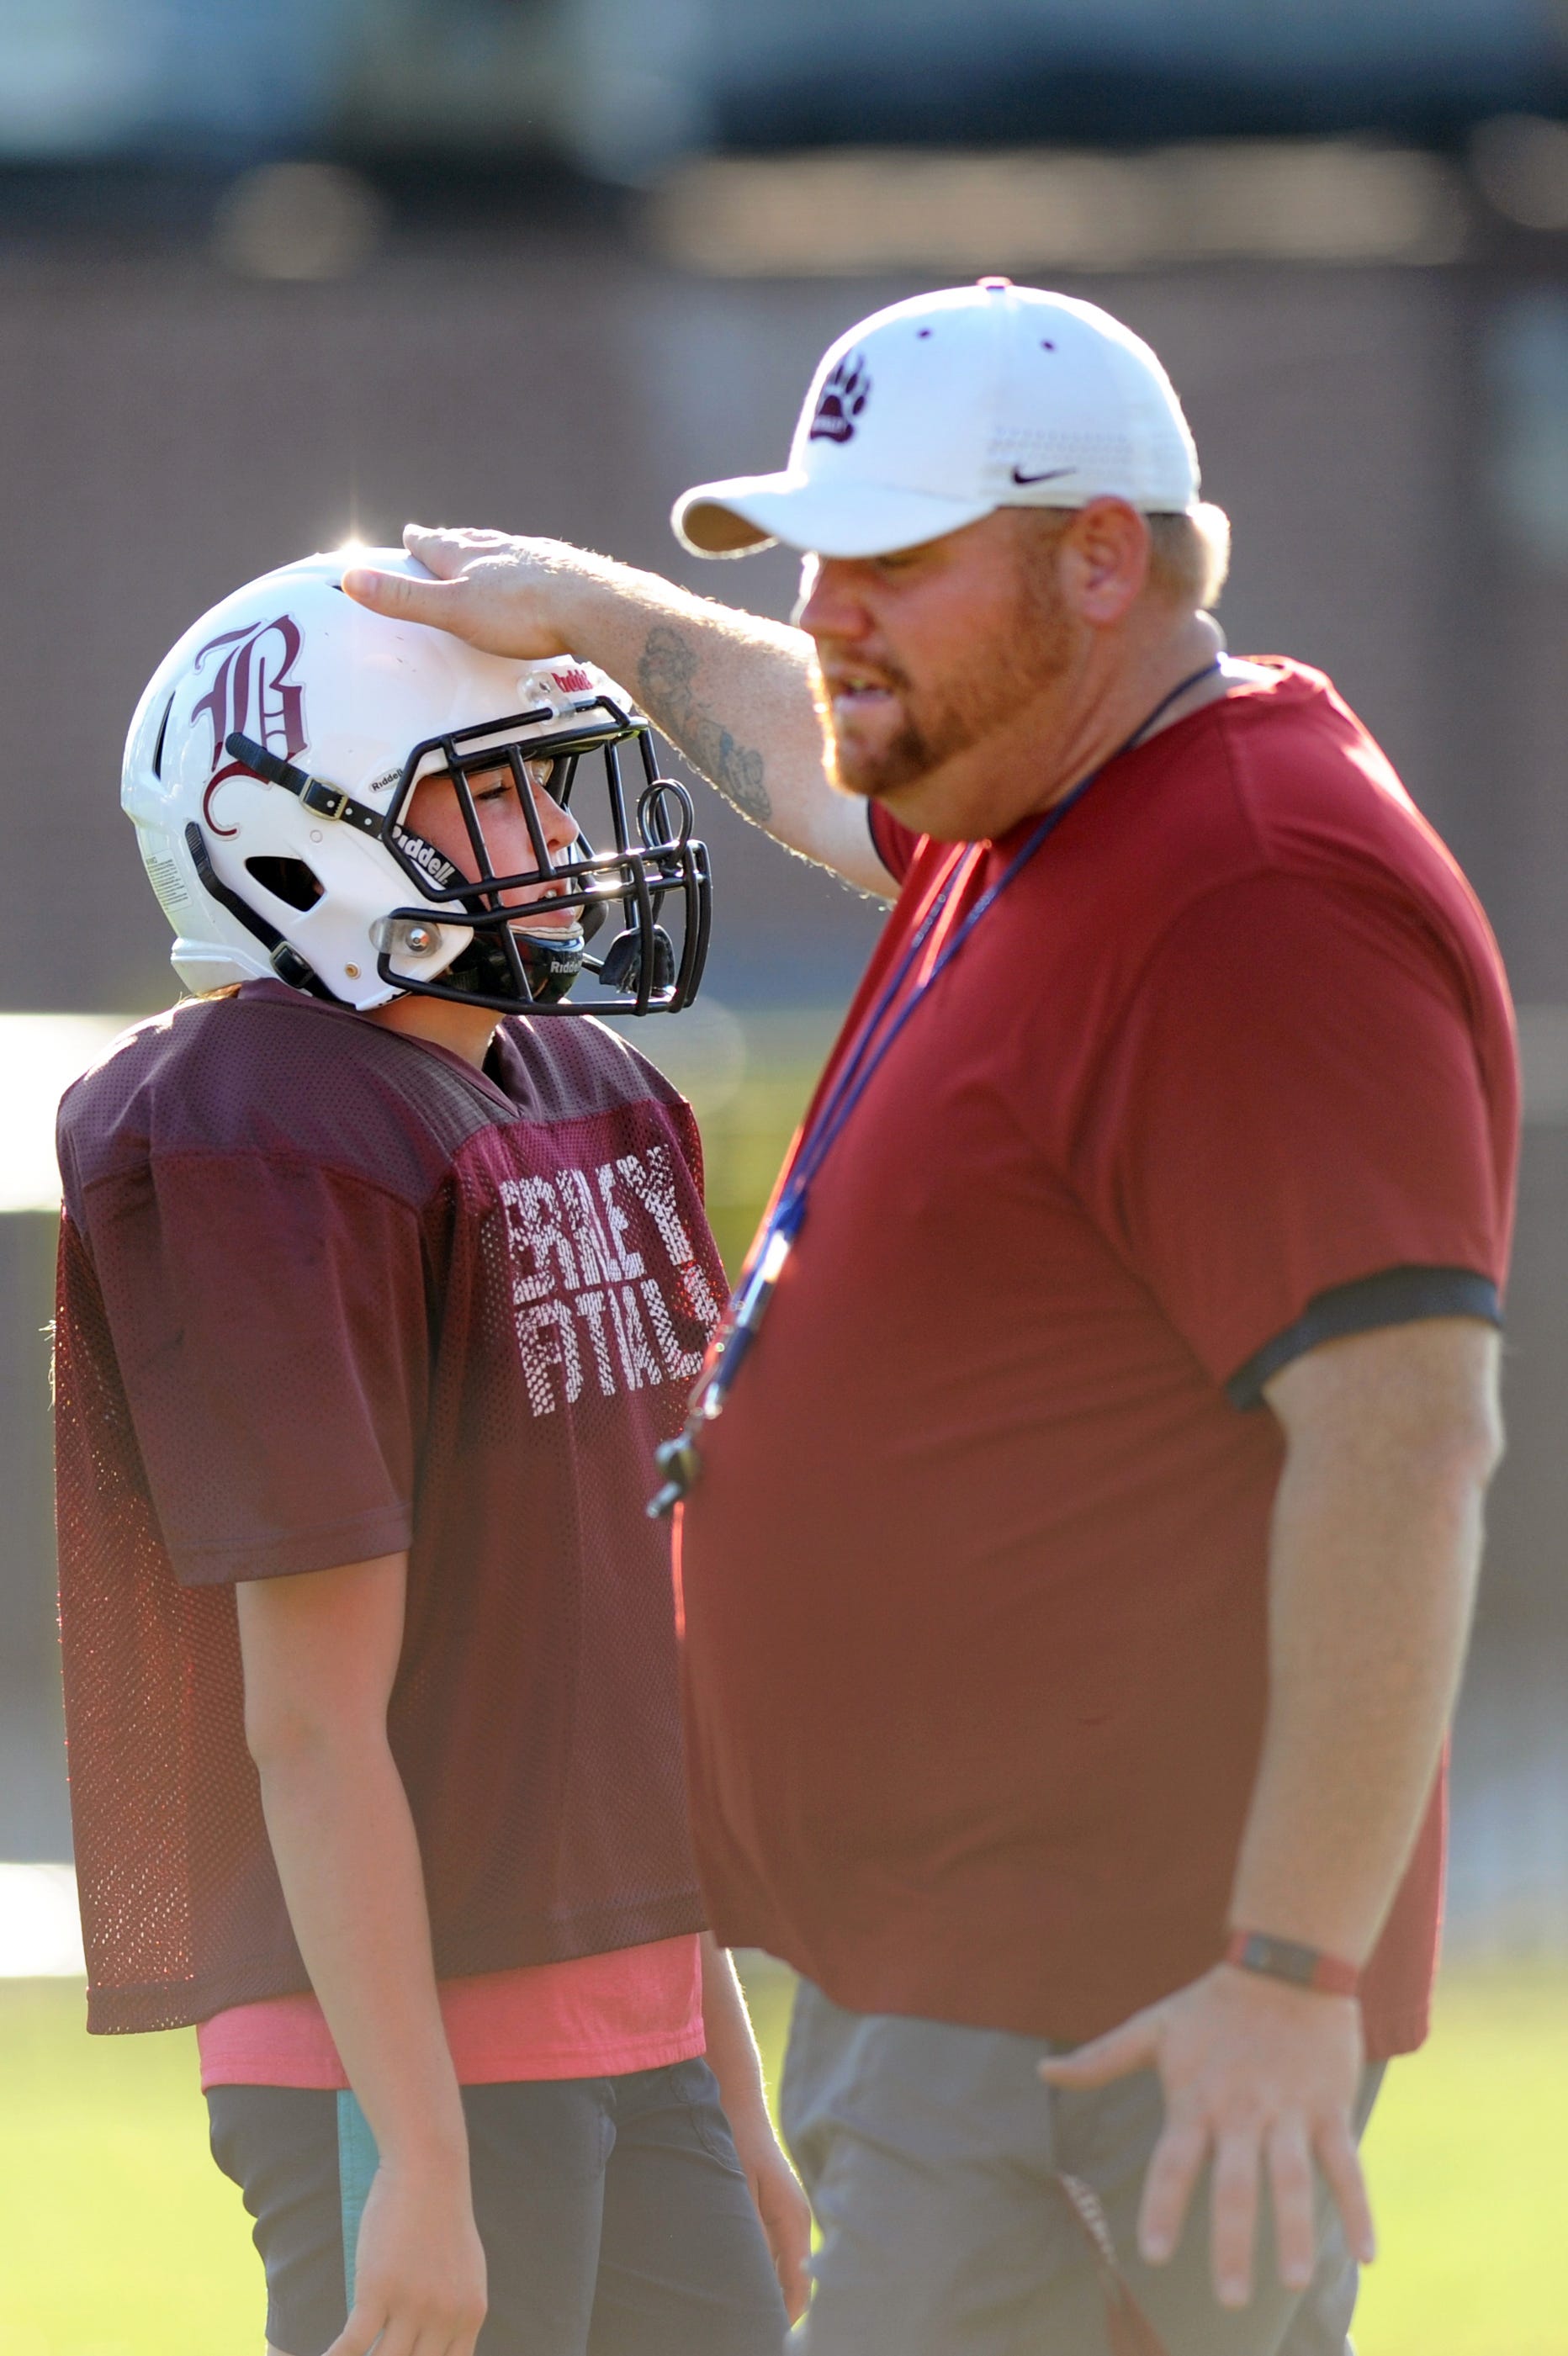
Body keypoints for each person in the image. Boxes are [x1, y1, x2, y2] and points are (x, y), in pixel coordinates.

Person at [342, 279, 1518, 2356]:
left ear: (1099, 559)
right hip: (971, 1996)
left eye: (888, 561)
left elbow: (1402, 1438)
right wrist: (589, 614)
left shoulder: (1254, 885)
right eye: (815, 560)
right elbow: (821, 763)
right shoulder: (1050, 802)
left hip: (1096, 2024)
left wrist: (1285, 1974)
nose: (826, 612)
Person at [53, 548, 808, 2356]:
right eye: (500, 795)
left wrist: (737, 2102)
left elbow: (623, 1666)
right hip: (405, 2053)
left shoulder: (589, 1093)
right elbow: (312, 1722)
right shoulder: (268, 1134)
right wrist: (418, 2152)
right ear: (289, 842)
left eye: (550, 782)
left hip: (633, 2015)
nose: (559, 836)